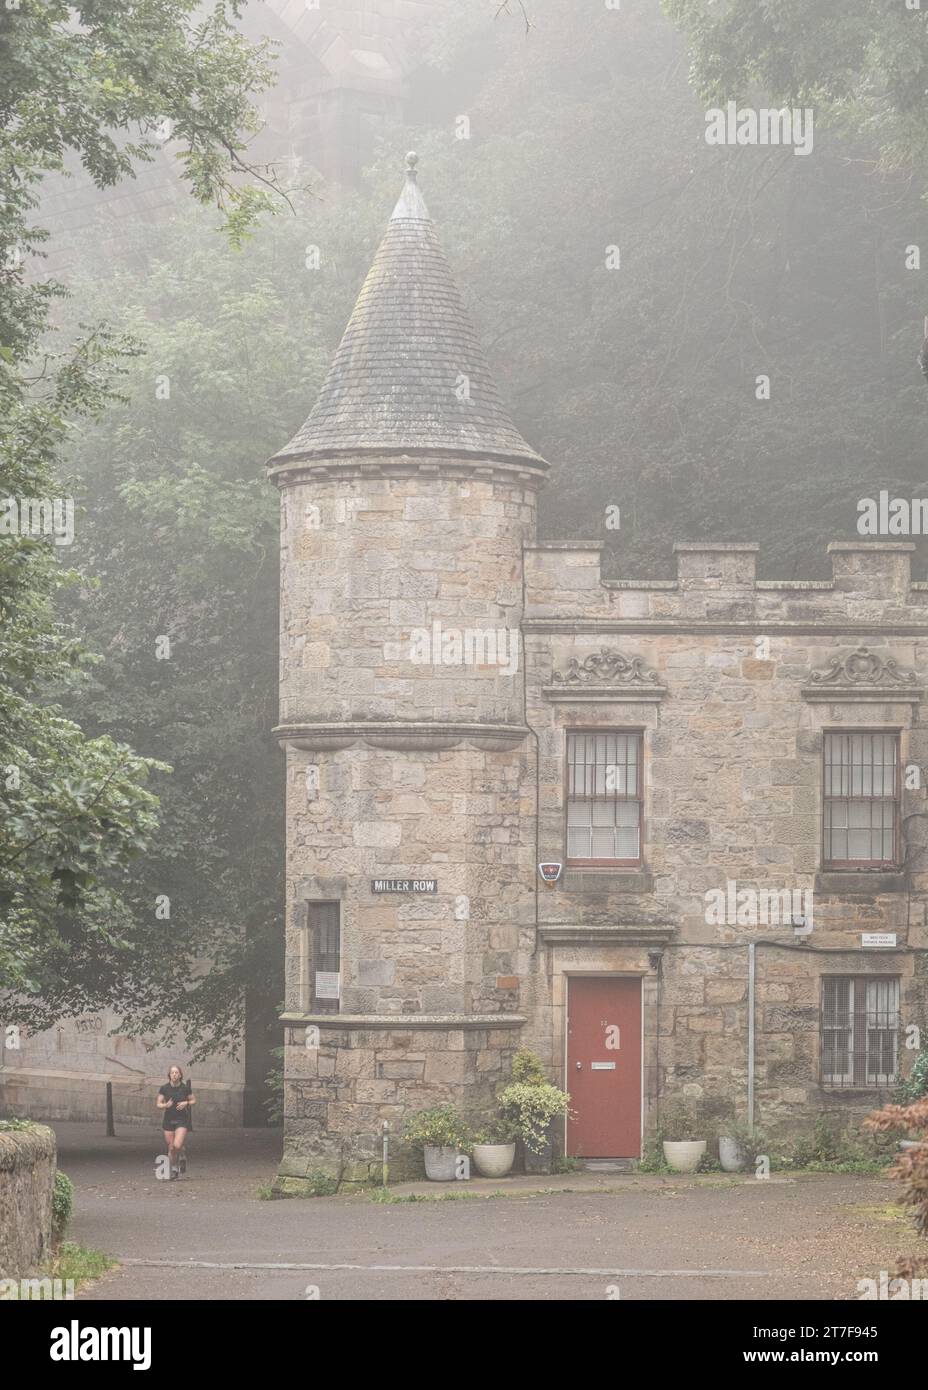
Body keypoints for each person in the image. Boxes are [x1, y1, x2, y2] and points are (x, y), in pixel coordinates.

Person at [157, 1065, 195, 1180]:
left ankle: (182, 1155)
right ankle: (174, 1169)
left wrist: (186, 1103)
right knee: (171, 1148)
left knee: (177, 1145)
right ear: (169, 1075)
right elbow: (158, 1103)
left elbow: (193, 1100)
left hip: (181, 1120)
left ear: (180, 1075)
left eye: (176, 1073)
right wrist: (165, 1105)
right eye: (172, 1073)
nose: (174, 1075)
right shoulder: (164, 1088)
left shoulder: (185, 1088)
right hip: (168, 1121)